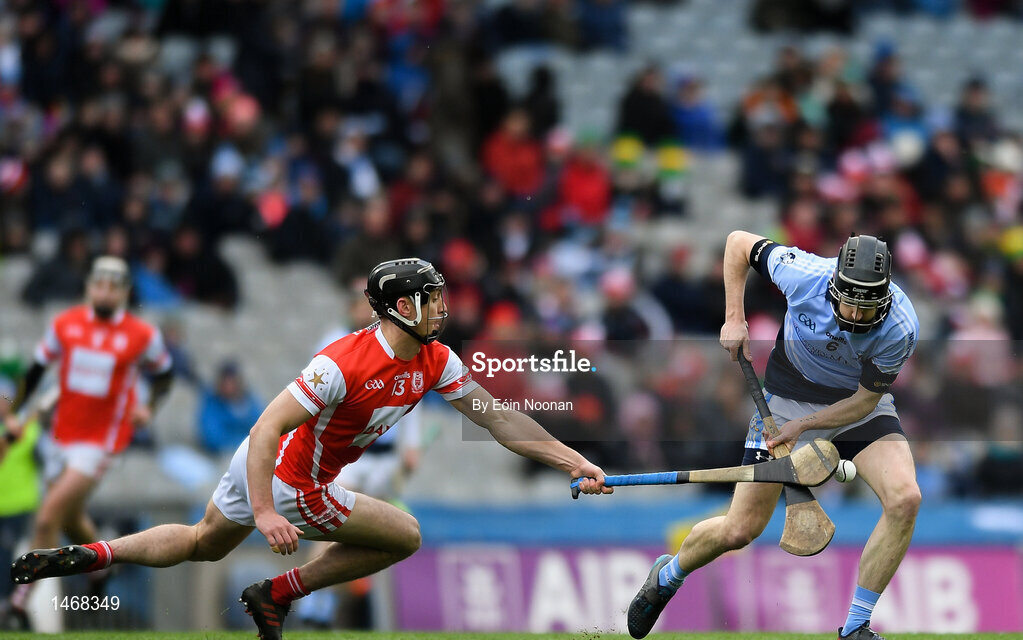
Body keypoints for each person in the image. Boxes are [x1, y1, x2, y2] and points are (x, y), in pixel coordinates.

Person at [11, 258, 611, 640]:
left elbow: (500, 419)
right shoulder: (343, 362)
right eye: (432, 298)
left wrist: (576, 461)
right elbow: (269, 426)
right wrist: (269, 512)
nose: (444, 308)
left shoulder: (436, 360)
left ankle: (91, 553)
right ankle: (278, 591)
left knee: (202, 542)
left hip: (263, 463)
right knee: (405, 535)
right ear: (403, 308)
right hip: (291, 477)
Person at [627, 232, 920, 640]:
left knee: (905, 498)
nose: (853, 315)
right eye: (848, 302)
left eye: (865, 307)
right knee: (739, 529)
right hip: (786, 399)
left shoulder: (901, 328)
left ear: (884, 299)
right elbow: (735, 244)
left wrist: (805, 428)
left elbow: (866, 402)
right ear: (834, 286)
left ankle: (855, 627)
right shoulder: (804, 274)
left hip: (856, 406)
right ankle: (669, 575)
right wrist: (734, 317)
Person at [3, 256, 175, 628]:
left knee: (48, 515)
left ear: (125, 291)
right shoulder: (64, 325)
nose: (105, 291)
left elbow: (164, 373)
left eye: (114, 286)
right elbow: (35, 373)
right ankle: (100, 569)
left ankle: (18, 605)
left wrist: (149, 406)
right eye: (99, 283)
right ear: (88, 286)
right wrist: (15, 412)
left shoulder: (142, 335)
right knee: (71, 518)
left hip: (101, 442)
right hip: (59, 437)